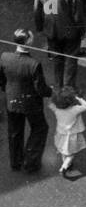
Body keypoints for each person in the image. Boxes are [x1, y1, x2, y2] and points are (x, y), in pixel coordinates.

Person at [0, 28, 51, 173]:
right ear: (28, 41)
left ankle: (15, 162)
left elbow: (1, 79)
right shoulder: (33, 64)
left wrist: (7, 89)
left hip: (12, 101)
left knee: (15, 131)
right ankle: (31, 161)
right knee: (40, 128)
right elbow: (40, 89)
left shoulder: (5, 57)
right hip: (31, 103)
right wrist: (51, 91)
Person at [33, 0, 85, 89]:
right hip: (69, 31)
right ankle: (68, 89)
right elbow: (77, 15)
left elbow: (37, 10)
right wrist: (81, 30)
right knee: (70, 59)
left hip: (50, 29)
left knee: (57, 60)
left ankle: (57, 87)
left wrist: (39, 27)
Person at [48, 86, 86, 180]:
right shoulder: (74, 110)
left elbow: (50, 104)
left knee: (64, 151)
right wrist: (78, 98)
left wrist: (53, 94)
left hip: (60, 134)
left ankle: (66, 164)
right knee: (71, 154)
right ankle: (64, 167)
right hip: (71, 135)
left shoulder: (56, 109)